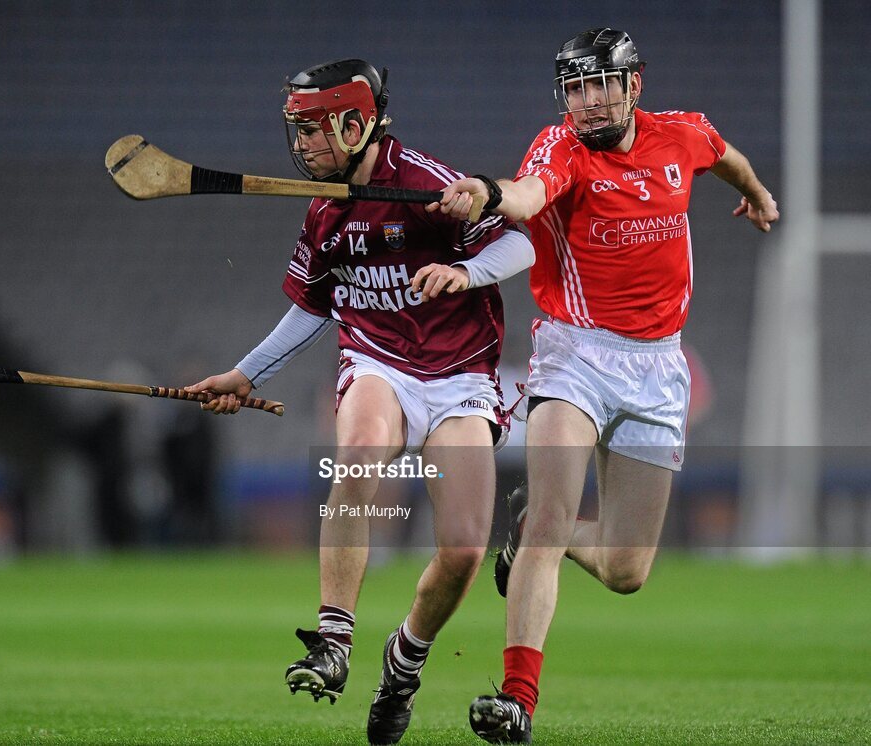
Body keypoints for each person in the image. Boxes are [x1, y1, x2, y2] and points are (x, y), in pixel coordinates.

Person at [431, 28, 778, 743]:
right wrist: (489, 193)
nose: (587, 103)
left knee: (625, 570)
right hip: (575, 356)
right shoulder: (561, 148)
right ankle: (518, 699)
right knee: (558, 513)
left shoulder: (683, 134)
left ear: (632, 86)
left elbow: (726, 157)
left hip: (659, 368)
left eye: (600, 86)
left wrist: (757, 194)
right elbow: (527, 197)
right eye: (575, 89)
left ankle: (532, 533)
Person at [186, 58, 534, 745]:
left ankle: (402, 662)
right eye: (299, 133)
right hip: (378, 361)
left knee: (464, 549)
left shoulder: (430, 184)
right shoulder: (324, 212)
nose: (304, 147)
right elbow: (311, 309)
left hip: (461, 375)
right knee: (361, 453)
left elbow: (520, 242)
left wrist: (464, 270)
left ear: (357, 122)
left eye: (316, 131)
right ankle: (334, 640)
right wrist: (246, 373)